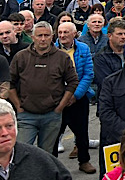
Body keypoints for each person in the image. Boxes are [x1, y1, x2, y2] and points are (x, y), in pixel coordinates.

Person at [8, 21, 78, 154]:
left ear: (52, 36)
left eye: (46, 35)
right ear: (33, 37)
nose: (43, 39)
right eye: (39, 35)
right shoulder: (21, 57)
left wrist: (59, 108)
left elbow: (73, 82)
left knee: (47, 155)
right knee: (21, 152)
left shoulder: (62, 57)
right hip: (26, 114)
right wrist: (18, 106)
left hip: (52, 115)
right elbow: (9, 82)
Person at [53, 20, 96, 174]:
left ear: (74, 34)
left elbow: (88, 74)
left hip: (78, 97)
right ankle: (52, 167)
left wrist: (75, 95)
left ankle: (84, 161)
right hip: (57, 98)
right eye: (60, 32)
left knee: (82, 132)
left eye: (66, 32)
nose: (62, 35)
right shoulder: (52, 49)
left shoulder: (83, 49)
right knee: (54, 134)